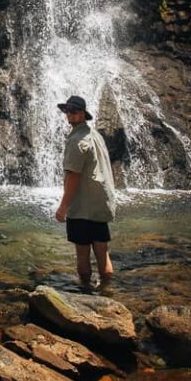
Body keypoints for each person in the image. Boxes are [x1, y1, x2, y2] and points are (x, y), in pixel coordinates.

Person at [54, 94, 116, 291]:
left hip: (82, 207)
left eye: (74, 111)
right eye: (67, 111)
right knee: (102, 251)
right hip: (100, 203)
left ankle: (85, 292)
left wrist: (63, 207)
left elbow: (73, 176)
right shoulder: (95, 135)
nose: (70, 114)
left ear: (83, 114)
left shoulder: (77, 140)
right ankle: (107, 292)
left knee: (82, 254)